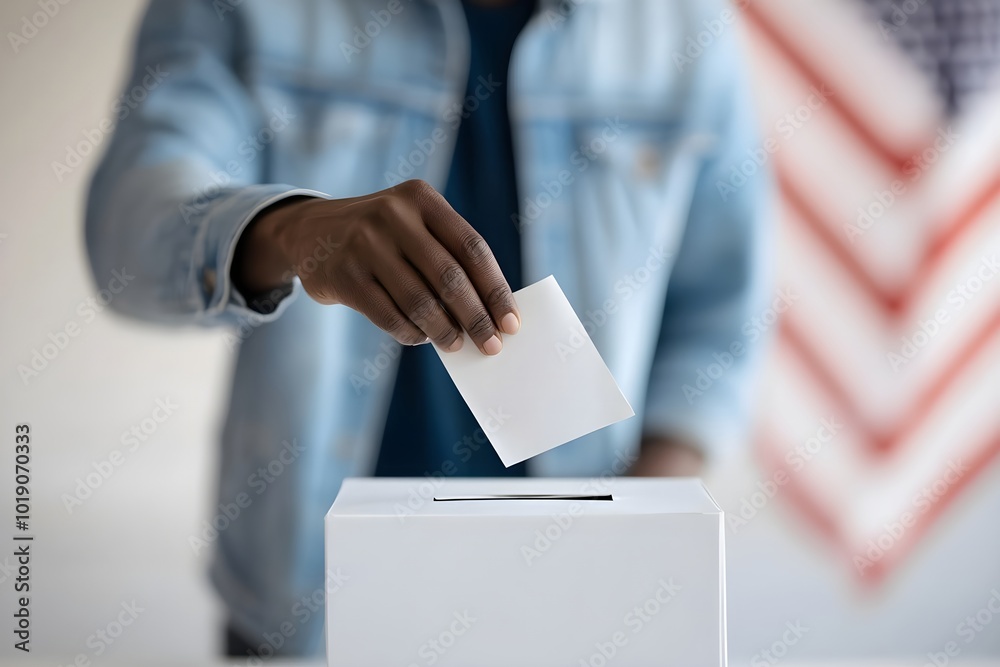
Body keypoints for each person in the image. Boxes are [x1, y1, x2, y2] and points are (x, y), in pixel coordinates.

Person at [86, 0, 771, 657]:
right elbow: (129, 224)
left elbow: (720, 311)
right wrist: (288, 228)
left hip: (575, 612)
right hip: (308, 611)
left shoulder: (682, 21)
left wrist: (637, 522)